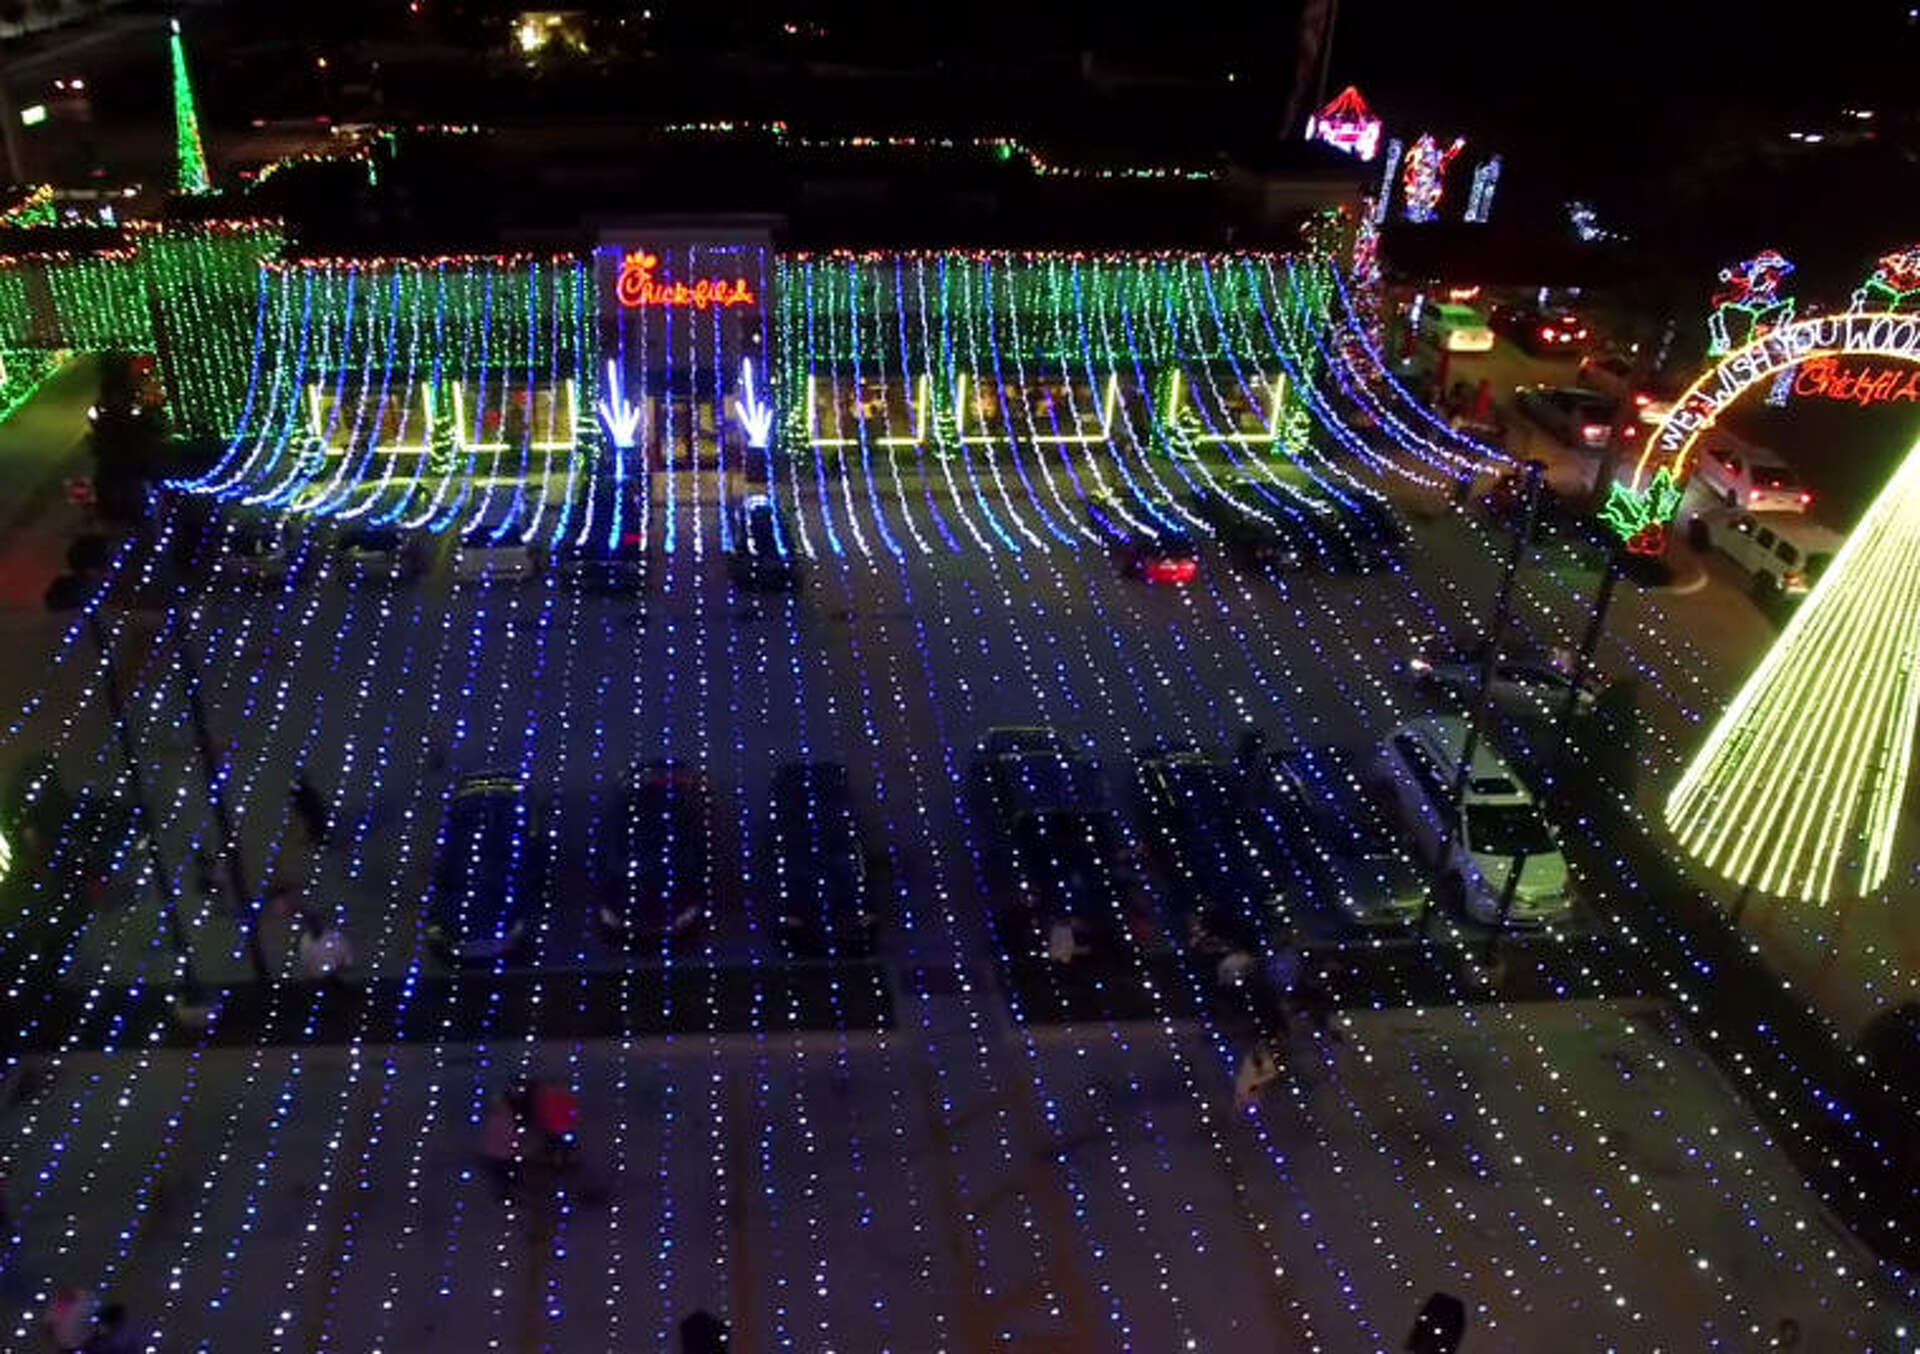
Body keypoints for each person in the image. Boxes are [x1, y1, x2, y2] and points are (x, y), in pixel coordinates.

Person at [478, 1091, 523, 1204]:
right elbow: (510, 1136)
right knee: (506, 1177)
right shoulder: (506, 1118)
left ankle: (505, 1195)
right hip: (504, 1155)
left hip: (496, 1154)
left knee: (501, 1178)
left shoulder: (493, 1118)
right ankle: (507, 1196)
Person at [529, 1079, 581, 1167]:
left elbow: (542, 1113)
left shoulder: (545, 1099)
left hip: (552, 1128)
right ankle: (565, 1158)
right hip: (564, 1127)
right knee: (566, 1145)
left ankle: (552, 1158)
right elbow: (573, 1111)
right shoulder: (565, 1098)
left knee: (551, 1143)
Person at [295, 910, 354, 984]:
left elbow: (348, 961)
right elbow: (304, 961)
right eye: (311, 922)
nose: (314, 925)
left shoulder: (335, 938)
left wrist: (335, 973)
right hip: (312, 981)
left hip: (334, 980)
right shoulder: (304, 939)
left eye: (316, 922)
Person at [43, 1285, 96, 1353]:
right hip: (66, 1344)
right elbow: (48, 1326)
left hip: (85, 1342)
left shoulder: (84, 1301)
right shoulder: (56, 1307)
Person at [291, 772, 332, 849]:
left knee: (316, 824)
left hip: (311, 811)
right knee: (315, 824)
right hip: (310, 811)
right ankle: (318, 838)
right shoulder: (303, 793)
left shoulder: (305, 792)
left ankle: (318, 839)